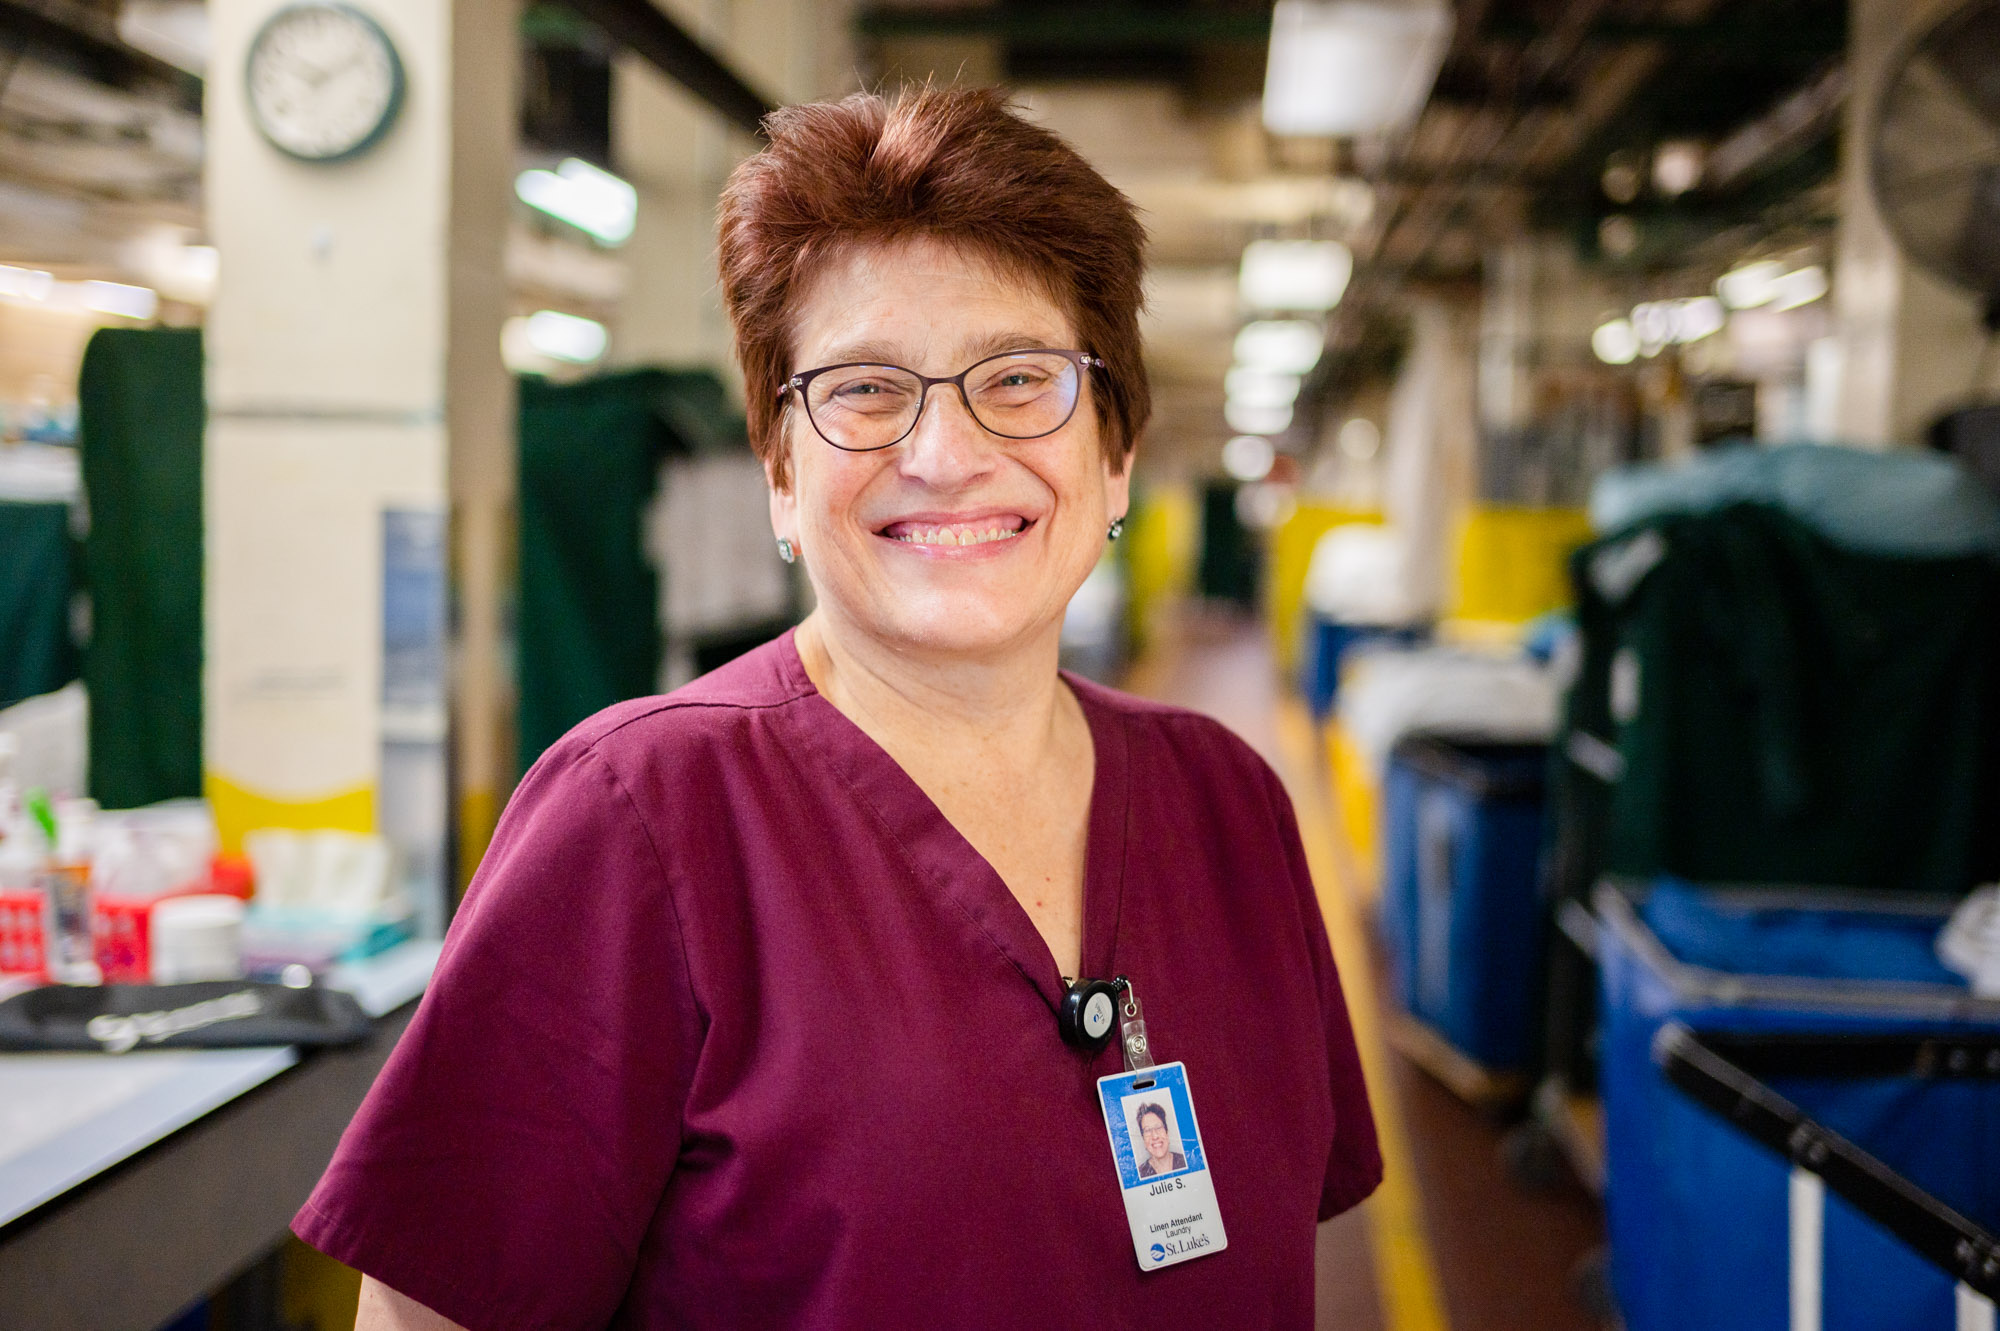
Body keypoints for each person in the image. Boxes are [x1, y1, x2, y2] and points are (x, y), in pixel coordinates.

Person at [298, 85, 1379, 1331]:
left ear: (1116, 452)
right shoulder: (639, 818)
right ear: (778, 470)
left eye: (1018, 378)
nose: (945, 453)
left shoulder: (1229, 803)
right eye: (865, 389)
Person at [1135, 1102, 1188, 1178]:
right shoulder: (1139, 1174)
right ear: (1143, 1139)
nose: (1155, 1136)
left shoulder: (1186, 1161)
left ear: (1167, 1132)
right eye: (1147, 1130)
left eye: (1158, 1127)